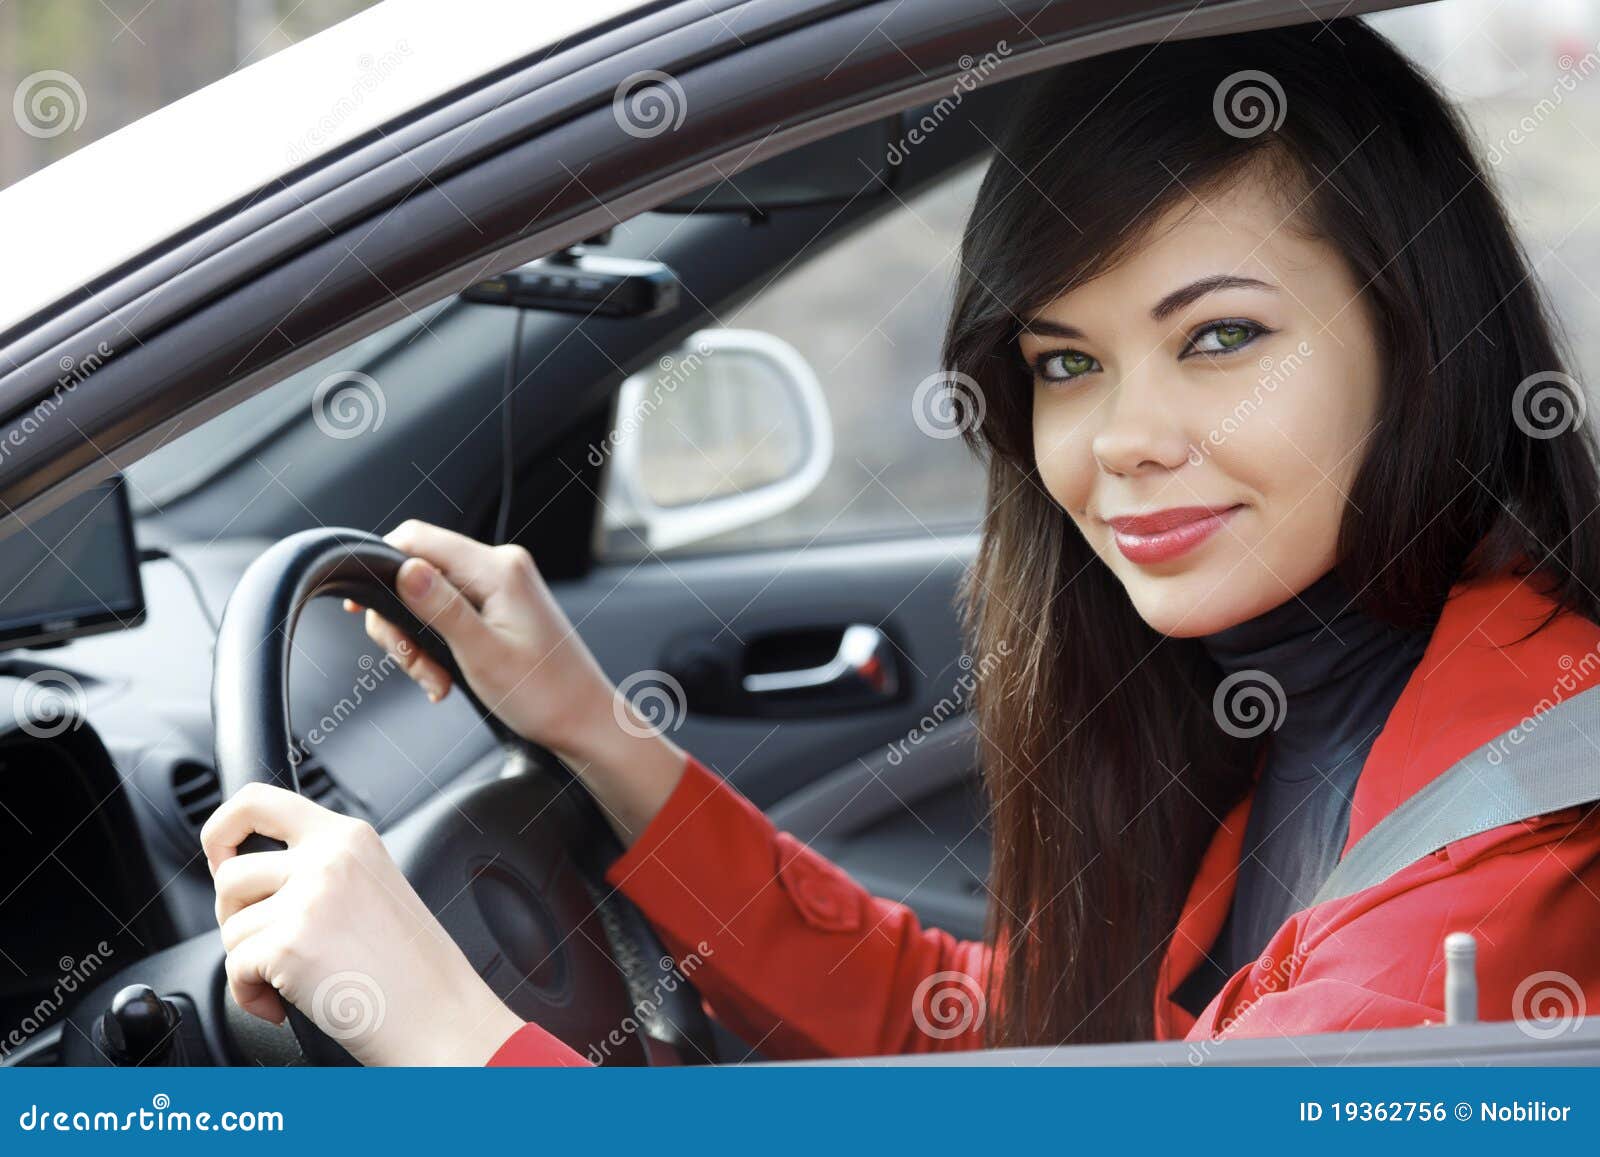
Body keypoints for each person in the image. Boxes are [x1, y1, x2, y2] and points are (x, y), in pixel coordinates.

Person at [201, 17, 1600, 1066]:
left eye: (1219, 336)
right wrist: (594, 731)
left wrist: (443, 1028)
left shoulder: (1507, 842)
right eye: (1065, 364)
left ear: (1416, 339)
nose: (1120, 438)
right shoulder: (1303, 691)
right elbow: (1000, 1035)